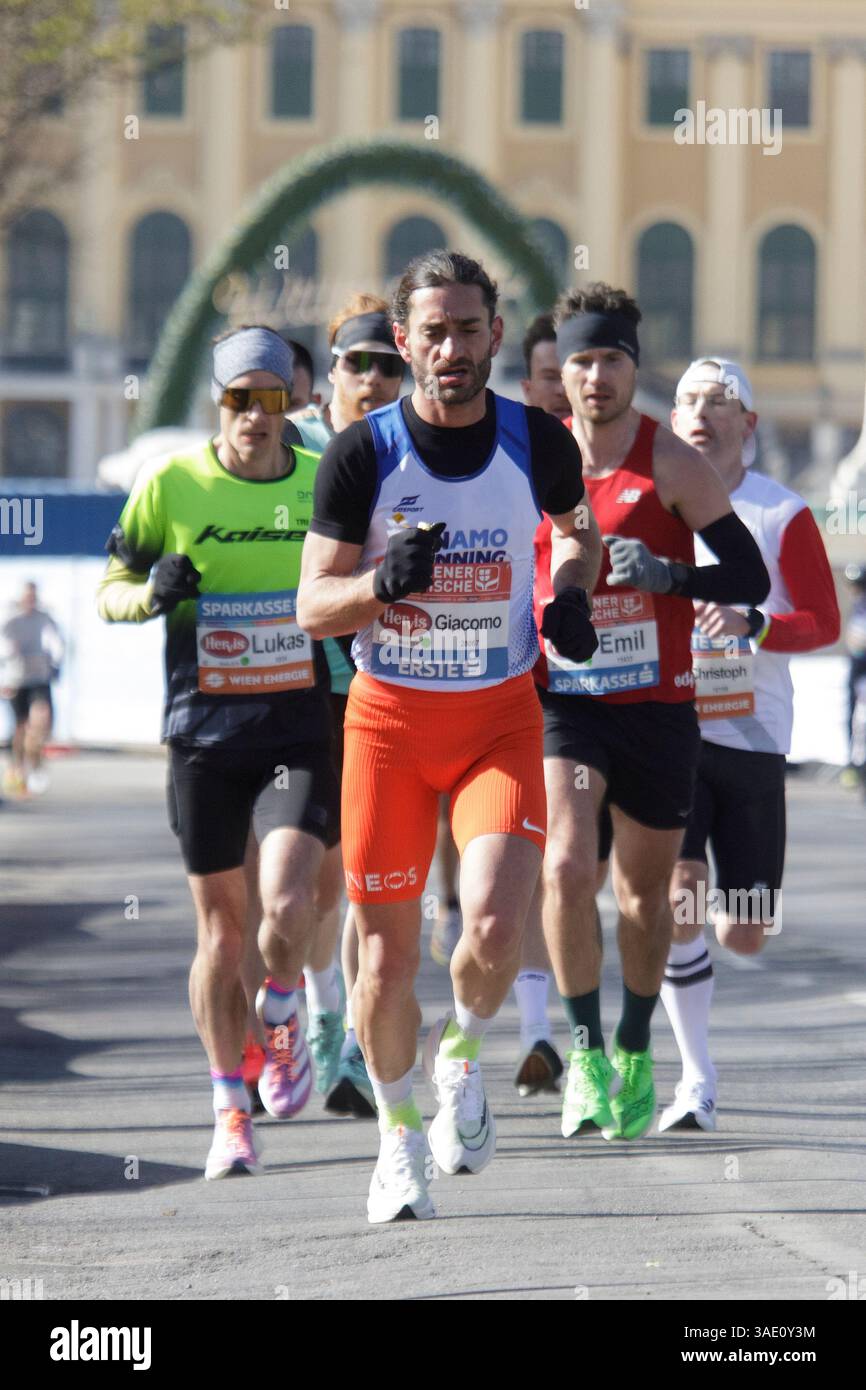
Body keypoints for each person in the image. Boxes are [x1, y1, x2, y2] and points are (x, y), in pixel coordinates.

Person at [297, 249, 601, 1222]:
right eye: (432, 332)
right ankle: (396, 1138)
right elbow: (311, 605)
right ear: (403, 341)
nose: (451, 348)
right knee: (382, 964)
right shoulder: (363, 455)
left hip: (496, 720)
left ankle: (460, 1057)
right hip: (386, 726)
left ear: (495, 336)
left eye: (468, 329)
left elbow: (579, 533)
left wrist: (566, 597)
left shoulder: (536, 440)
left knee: (490, 926)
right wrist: (379, 583)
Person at [97, 326, 341, 1180]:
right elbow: (111, 588)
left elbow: (357, 582)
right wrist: (152, 594)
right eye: (238, 398)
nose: (253, 415)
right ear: (219, 402)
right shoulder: (170, 482)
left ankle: (281, 1010)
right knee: (219, 929)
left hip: (297, 728)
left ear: (290, 405)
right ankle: (229, 1112)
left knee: (287, 901)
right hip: (203, 734)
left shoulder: (321, 484)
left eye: (269, 398)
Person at [533, 283, 770, 1144]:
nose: (595, 376)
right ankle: (587, 1054)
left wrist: (671, 577)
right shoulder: (535, 457)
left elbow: (749, 578)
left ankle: (635, 1043)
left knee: (643, 899)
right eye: (581, 362)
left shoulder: (672, 461)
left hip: (661, 710)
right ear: (560, 372)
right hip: (568, 701)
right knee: (564, 870)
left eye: (612, 360)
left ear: (636, 367)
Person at [658, 357, 840, 1130]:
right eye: (687, 400)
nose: (701, 411)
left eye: (719, 401)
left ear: (749, 425)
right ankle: (695, 1078)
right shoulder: (655, 511)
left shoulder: (779, 512)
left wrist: (756, 622)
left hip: (756, 738)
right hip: (671, 730)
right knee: (680, 895)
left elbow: (825, 623)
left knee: (746, 928)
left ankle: (722, 941)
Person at [1, 582, 64, 796]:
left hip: (39, 677)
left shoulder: (43, 616)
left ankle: (36, 764)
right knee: (20, 727)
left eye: (33, 597)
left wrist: (55, 663)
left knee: (40, 721)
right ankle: (17, 768)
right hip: (16, 679)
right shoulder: (10, 618)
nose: (30, 602)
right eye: (26, 597)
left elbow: (58, 640)